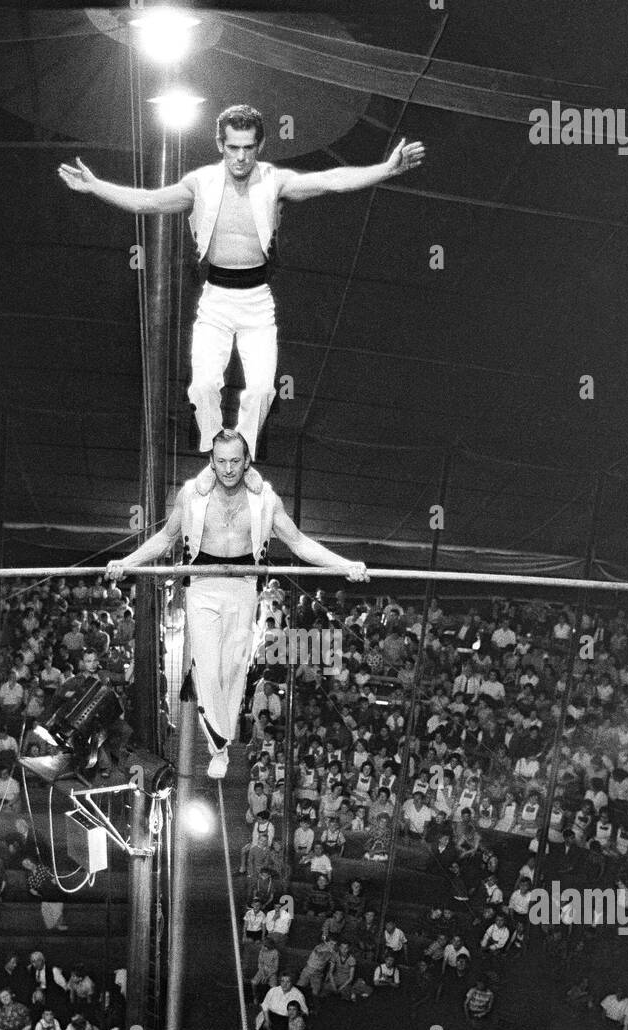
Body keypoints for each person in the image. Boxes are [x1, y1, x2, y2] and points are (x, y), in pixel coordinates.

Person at [60, 105, 424, 460]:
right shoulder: (199, 183)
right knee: (202, 386)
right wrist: (96, 186)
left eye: (248, 148)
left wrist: (387, 169)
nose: (240, 158)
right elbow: (146, 202)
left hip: (257, 302)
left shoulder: (275, 181)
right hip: (215, 299)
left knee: (264, 390)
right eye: (233, 148)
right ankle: (215, 454)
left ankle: (243, 456)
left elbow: (331, 181)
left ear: (260, 147)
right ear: (220, 145)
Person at [106, 432, 367, 779]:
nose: (228, 469)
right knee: (209, 667)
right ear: (211, 461)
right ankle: (219, 745)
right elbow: (166, 538)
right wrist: (128, 561)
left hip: (243, 588)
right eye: (222, 461)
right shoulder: (192, 496)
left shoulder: (265, 501)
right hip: (202, 586)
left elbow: (299, 542)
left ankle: (222, 741)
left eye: (235, 461)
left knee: (235, 671)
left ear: (246, 462)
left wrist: (344, 565)